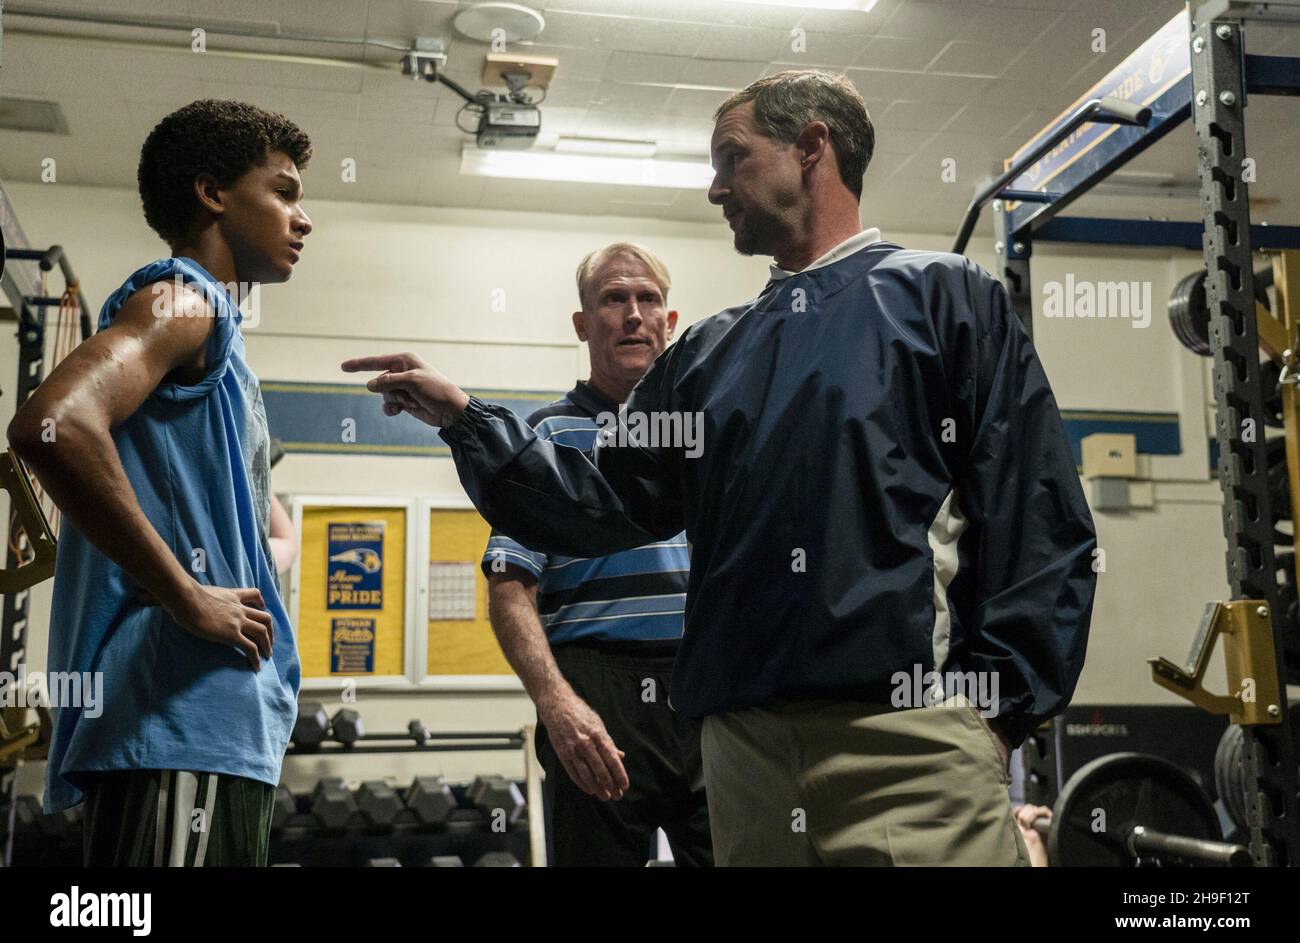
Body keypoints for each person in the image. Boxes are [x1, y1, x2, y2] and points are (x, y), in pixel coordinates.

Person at [343, 69, 1097, 866]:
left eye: (731, 159)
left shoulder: (947, 303)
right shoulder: (710, 353)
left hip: (908, 744)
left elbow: (1038, 520)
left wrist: (995, 714)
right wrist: (469, 419)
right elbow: (596, 501)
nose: (713, 188)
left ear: (812, 148)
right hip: (741, 756)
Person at [7, 99, 311, 866]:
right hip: (180, 712)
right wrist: (187, 594)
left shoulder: (224, 350)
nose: (302, 218)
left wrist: (248, 567)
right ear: (213, 194)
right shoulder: (184, 301)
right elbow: (54, 424)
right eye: (282, 191)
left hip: (220, 723)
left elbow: (254, 531)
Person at [484, 243, 711, 866]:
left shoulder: (705, 439)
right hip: (596, 692)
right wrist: (556, 703)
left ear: (670, 323)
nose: (633, 314)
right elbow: (510, 587)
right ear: (584, 324)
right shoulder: (546, 438)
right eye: (614, 299)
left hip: (703, 684)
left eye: (649, 300)